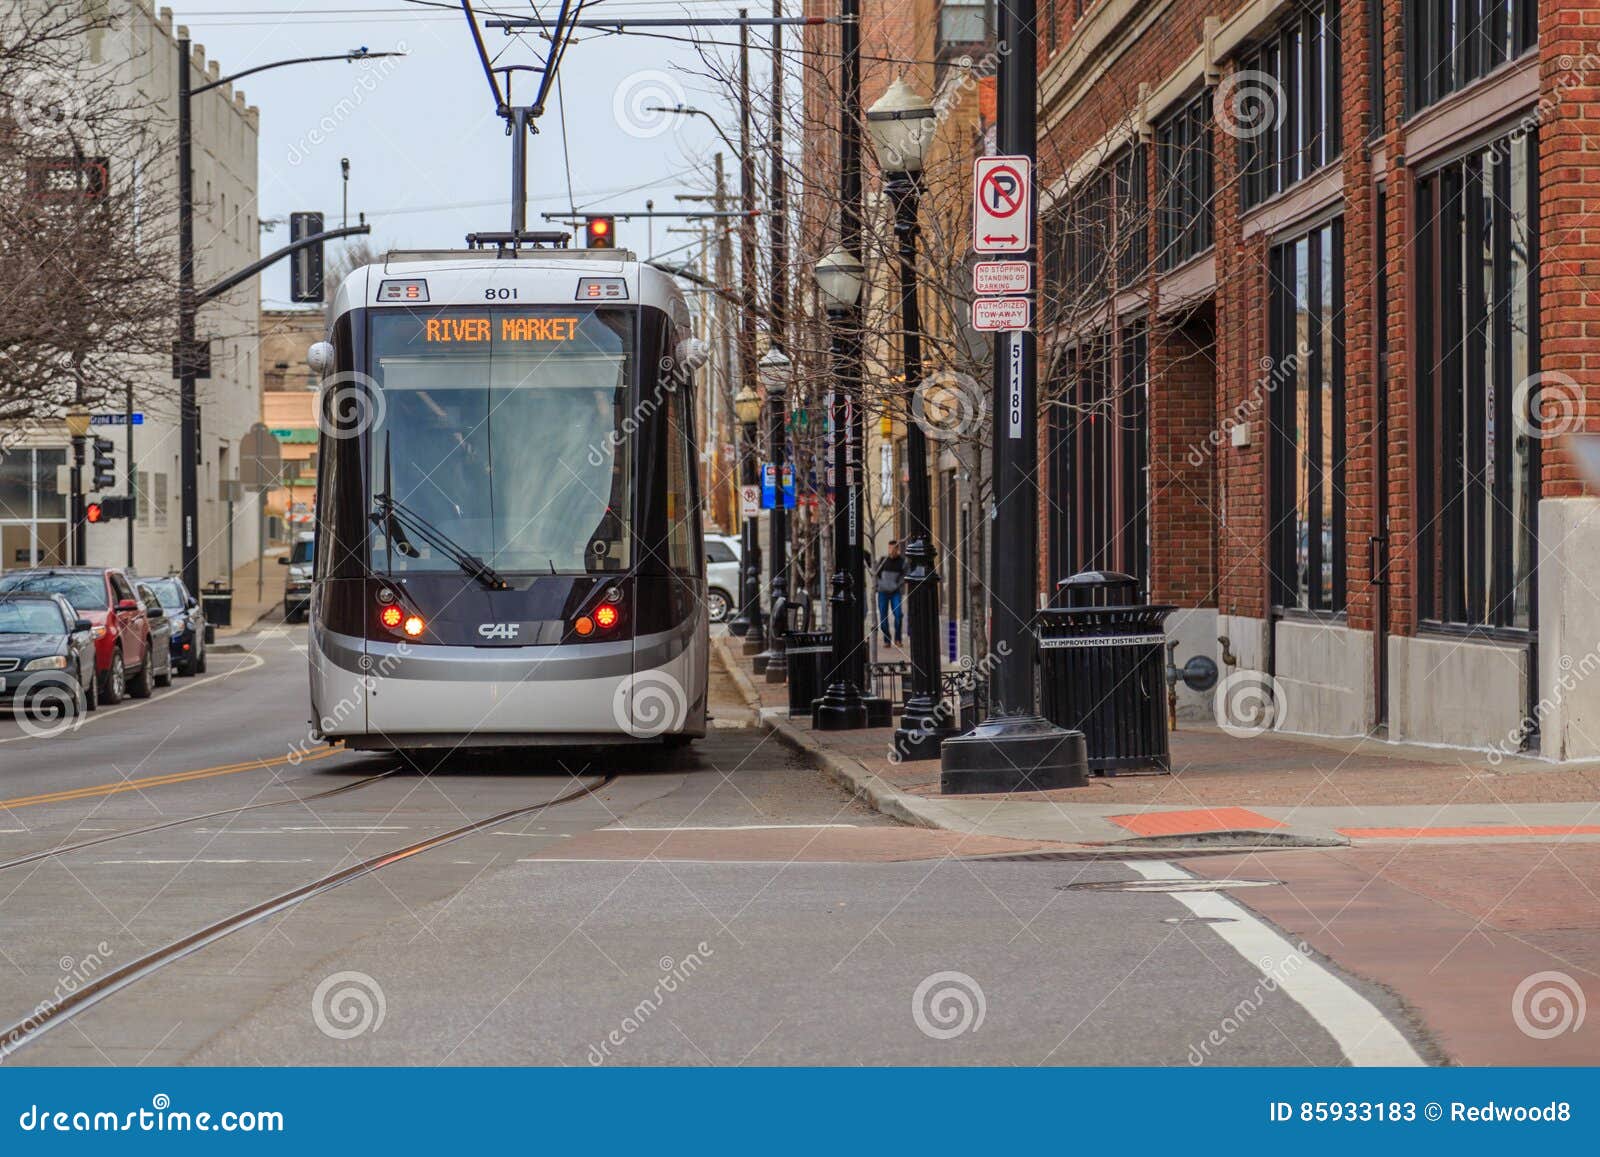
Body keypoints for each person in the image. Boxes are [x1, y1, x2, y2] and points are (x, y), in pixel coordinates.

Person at [873, 539, 906, 647]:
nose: (891, 550)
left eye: (894, 548)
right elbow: (875, 574)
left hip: (895, 592)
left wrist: (897, 585)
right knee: (883, 617)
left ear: (897, 549)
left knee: (898, 615)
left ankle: (898, 639)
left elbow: (905, 576)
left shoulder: (902, 562)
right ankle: (887, 640)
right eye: (890, 548)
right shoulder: (883, 560)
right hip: (883, 592)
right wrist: (879, 585)